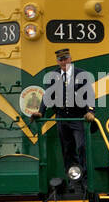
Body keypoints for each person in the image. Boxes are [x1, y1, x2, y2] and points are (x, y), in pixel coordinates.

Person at [31, 48, 96, 180]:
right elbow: (48, 95)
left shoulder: (81, 74)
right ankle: (72, 177)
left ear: (70, 59)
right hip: (62, 118)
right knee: (67, 149)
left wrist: (90, 111)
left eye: (66, 59)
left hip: (78, 117)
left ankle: (84, 177)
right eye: (61, 60)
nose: (64, 62)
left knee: (81, 146)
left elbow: (89, 94)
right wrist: (40, 112)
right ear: (57, 61)